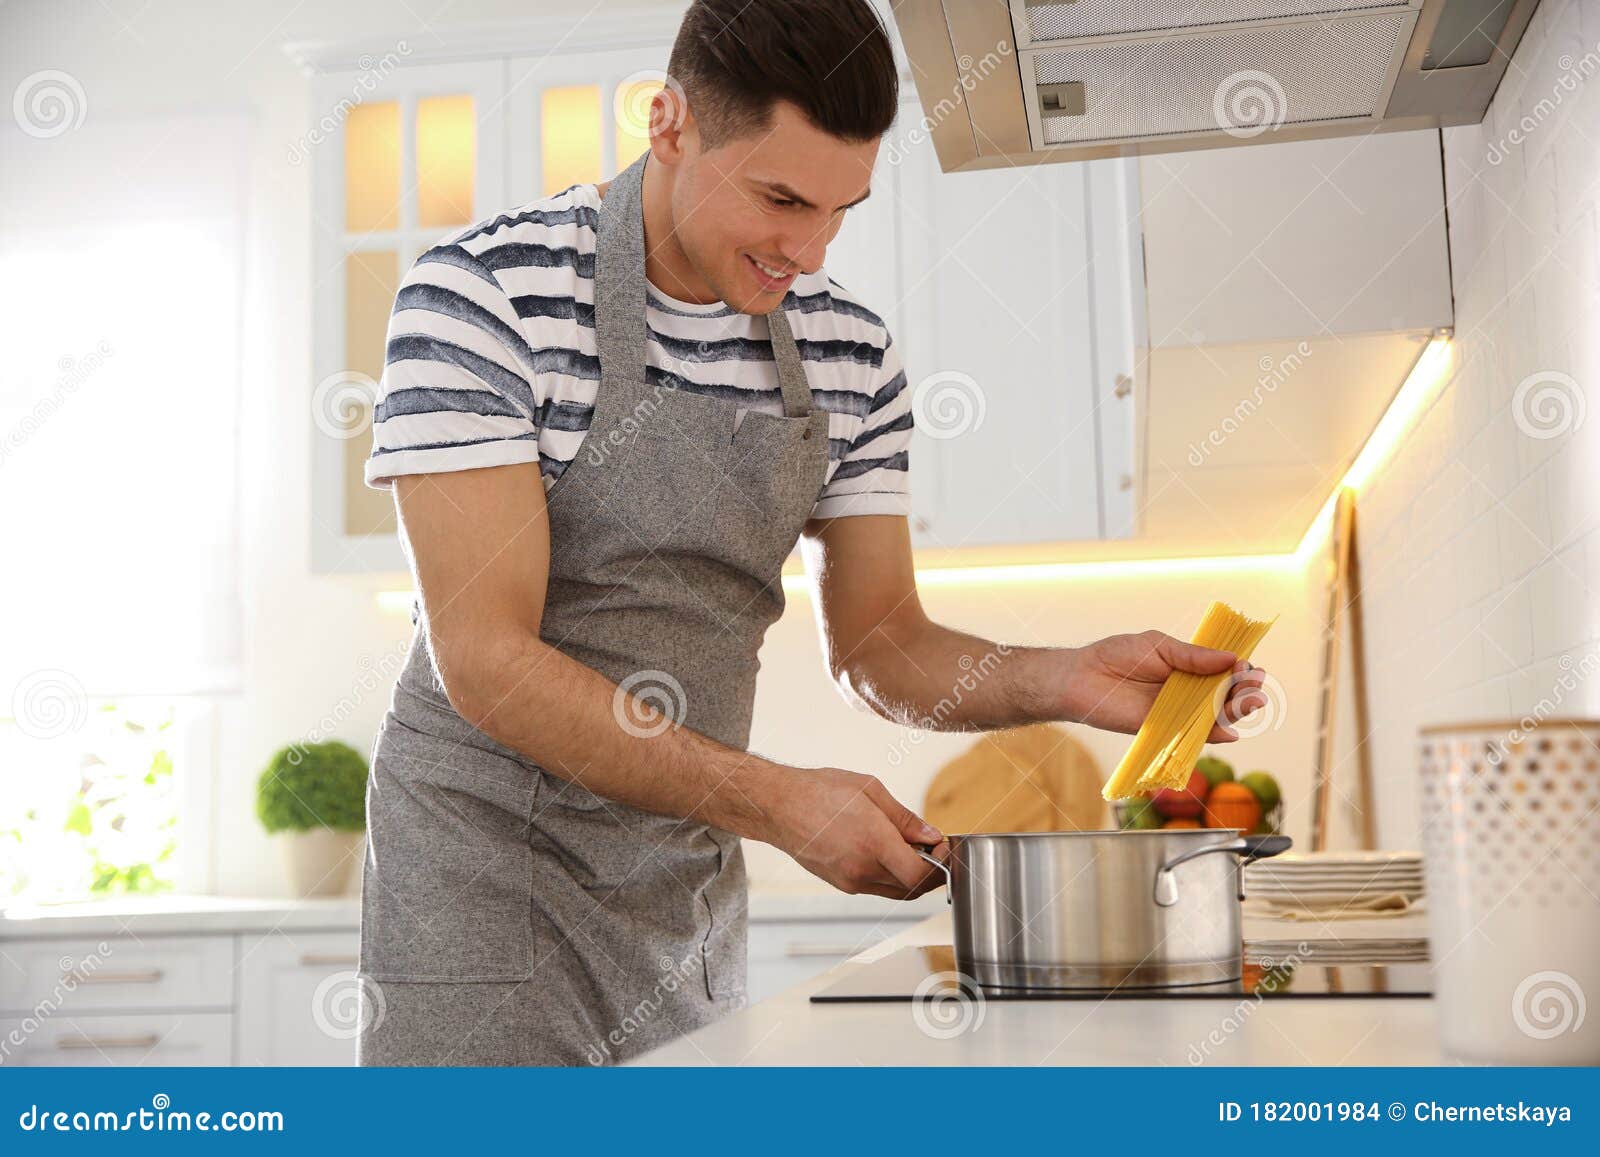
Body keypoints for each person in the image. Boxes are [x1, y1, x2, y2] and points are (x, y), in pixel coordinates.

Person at [355, 0, 1267, 1066]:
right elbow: (489, 663)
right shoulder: (480, 298)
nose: (806, 248)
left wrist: (1068, 676)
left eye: (841, 208)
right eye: (780, 197)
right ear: (670, 125)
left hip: (678, 870)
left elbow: (881, 646)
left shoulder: (851, 355)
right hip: (480, 874)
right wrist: (779, 800)